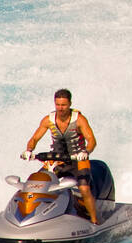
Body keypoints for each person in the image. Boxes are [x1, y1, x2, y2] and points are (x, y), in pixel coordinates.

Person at [22, 89, 99, 224]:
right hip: (57, 161)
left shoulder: (79, 119)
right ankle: (32, 216)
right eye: (58, 105)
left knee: (84, 188)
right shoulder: (48, 120)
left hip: (78, 160)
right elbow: (34, 138)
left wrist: (86, 152)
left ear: (69, 104)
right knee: (37, 184)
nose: (60, 108)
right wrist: (29, 150)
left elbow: (92, 140)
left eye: (63, 105)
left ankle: (94, 220)